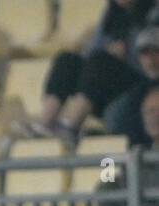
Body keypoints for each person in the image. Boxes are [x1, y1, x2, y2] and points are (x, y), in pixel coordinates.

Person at [38, 0, 158, 140]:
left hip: (144, 87)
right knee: (67, 61)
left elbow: (150, 62)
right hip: (107, 85)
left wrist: (126, 55)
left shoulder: (153, 13)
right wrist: (109, 50)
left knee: (102, 62)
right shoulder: (113, 14)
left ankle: (69, 126)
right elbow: (92, 53)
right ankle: (46, 123)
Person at [104, 26, 159, 145]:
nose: (151, 60)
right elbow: (113, 121)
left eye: (156, 52)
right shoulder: (135, 94)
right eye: (145, 53)